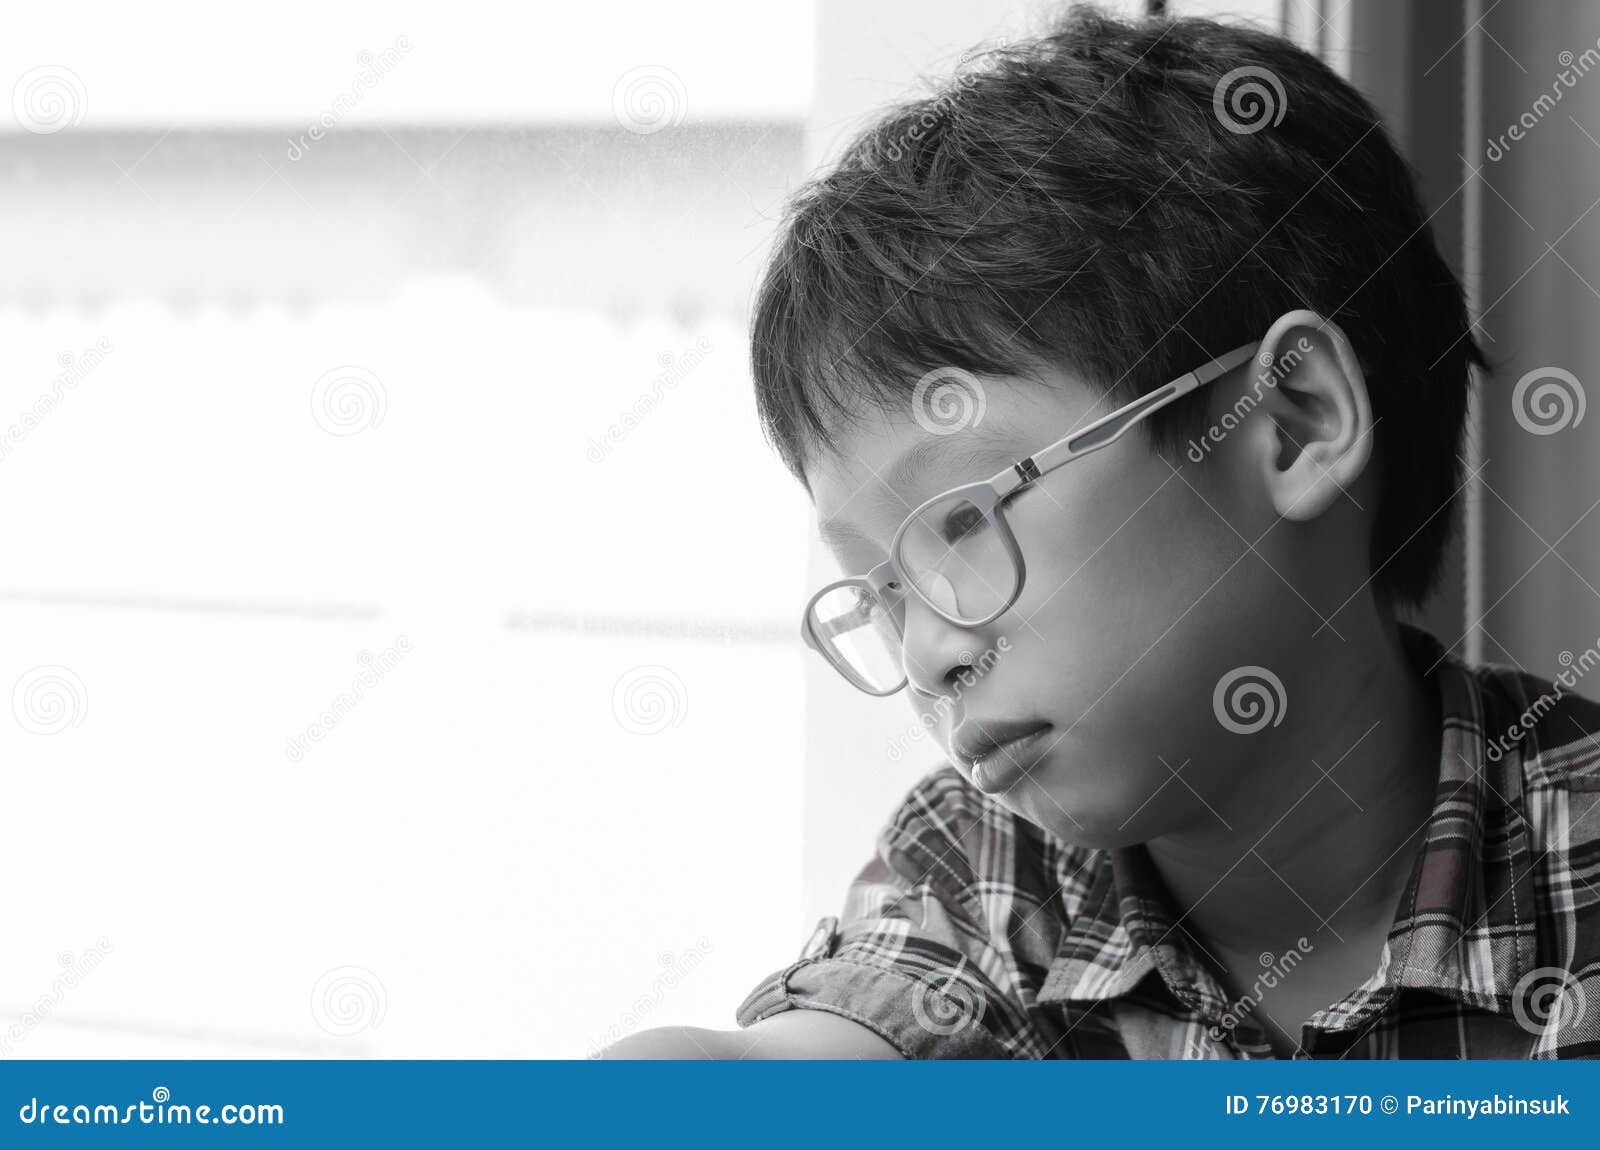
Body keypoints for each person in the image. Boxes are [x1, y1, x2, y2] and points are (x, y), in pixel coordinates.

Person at [603, 5, 1600, 1059]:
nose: (929, 654)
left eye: (962, 519)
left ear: (1294, 423)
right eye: (883, 591)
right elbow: (789, 1064)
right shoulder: (987, 872)